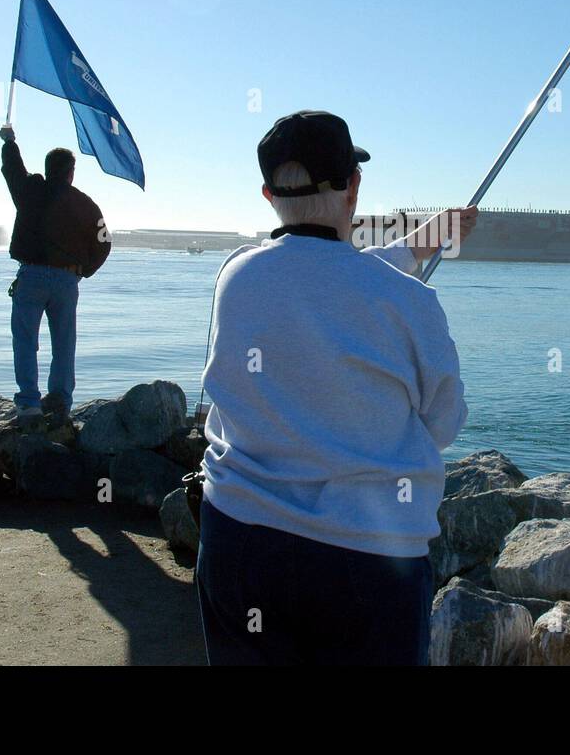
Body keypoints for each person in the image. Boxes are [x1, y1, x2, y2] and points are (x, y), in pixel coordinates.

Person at [195, 109, 477, 665]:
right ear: (354, 186)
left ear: (267, 193)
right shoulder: (410, 302)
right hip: (367, 561)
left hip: (239, 543)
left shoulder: (235, 276)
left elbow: (317, 274)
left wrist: (418, 244)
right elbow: (443, 423)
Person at [0, 124, 111, 420]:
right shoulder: (86, 204)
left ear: (48, 169)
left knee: (25, 340)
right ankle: (60, 402)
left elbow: (13, 169)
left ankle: (29, 403)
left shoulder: (30, 190)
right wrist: (84, 270)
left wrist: (10, 141)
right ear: (71, 172)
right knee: (64, 343)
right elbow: (104, 242)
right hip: (66, 280)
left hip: (32, 275)